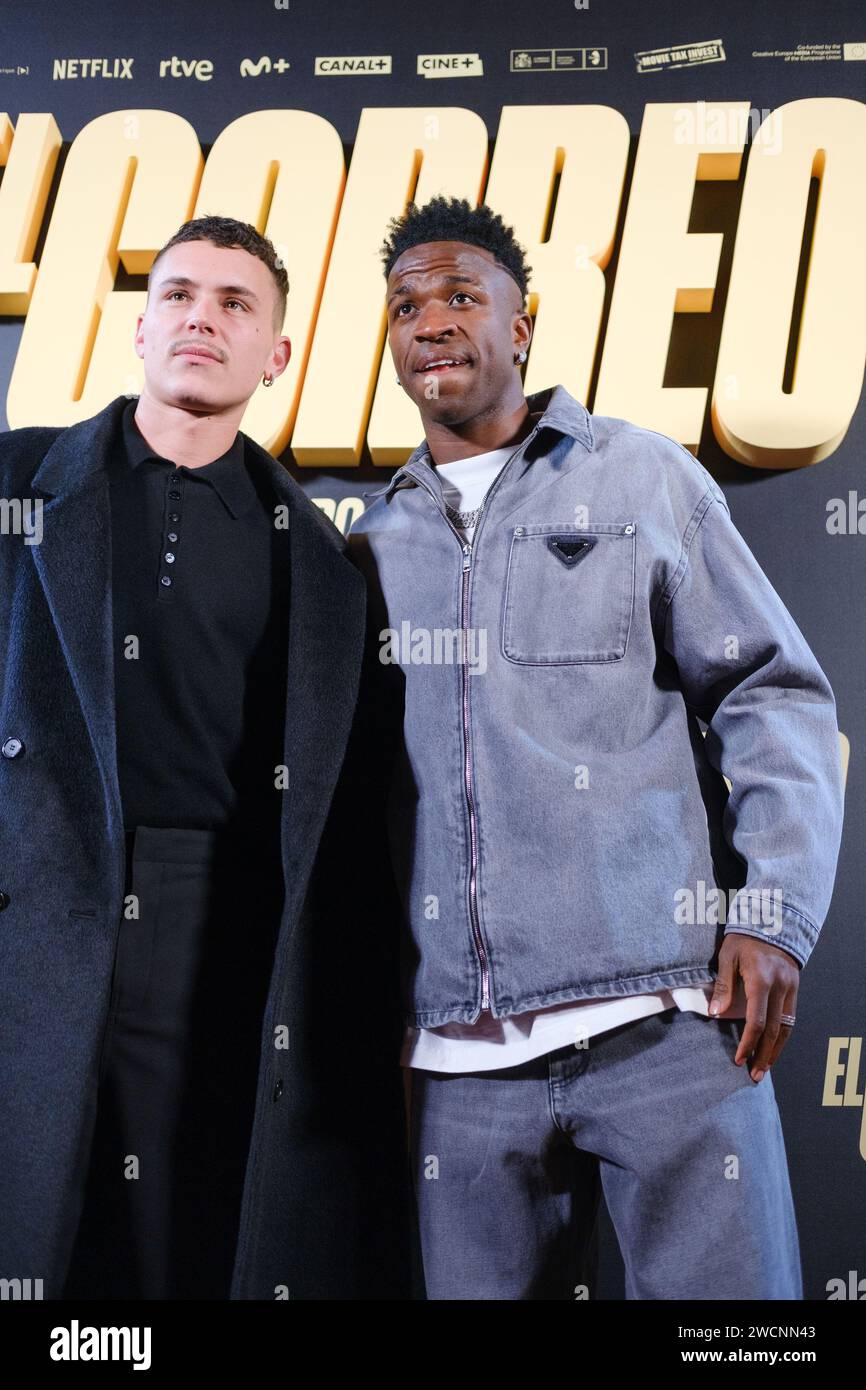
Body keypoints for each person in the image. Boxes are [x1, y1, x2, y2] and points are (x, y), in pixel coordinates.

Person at [347, 195, 846, 1300]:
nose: (430, 319)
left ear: (520, 327)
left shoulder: (639, 477)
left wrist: (772, 914)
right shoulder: (372, 545)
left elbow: (772, 691)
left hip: (664, 1026)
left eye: (461, 295)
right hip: (456, 1069)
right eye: (405, 304)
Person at [0, 215, 413, 1300]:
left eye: (236, 304)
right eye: (180, 294)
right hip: (32, 891)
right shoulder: (18, 481)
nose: (202, 317)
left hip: (215, 918)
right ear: (141, 327)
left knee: (172, 1227)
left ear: (276, 355)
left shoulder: (323, 559)